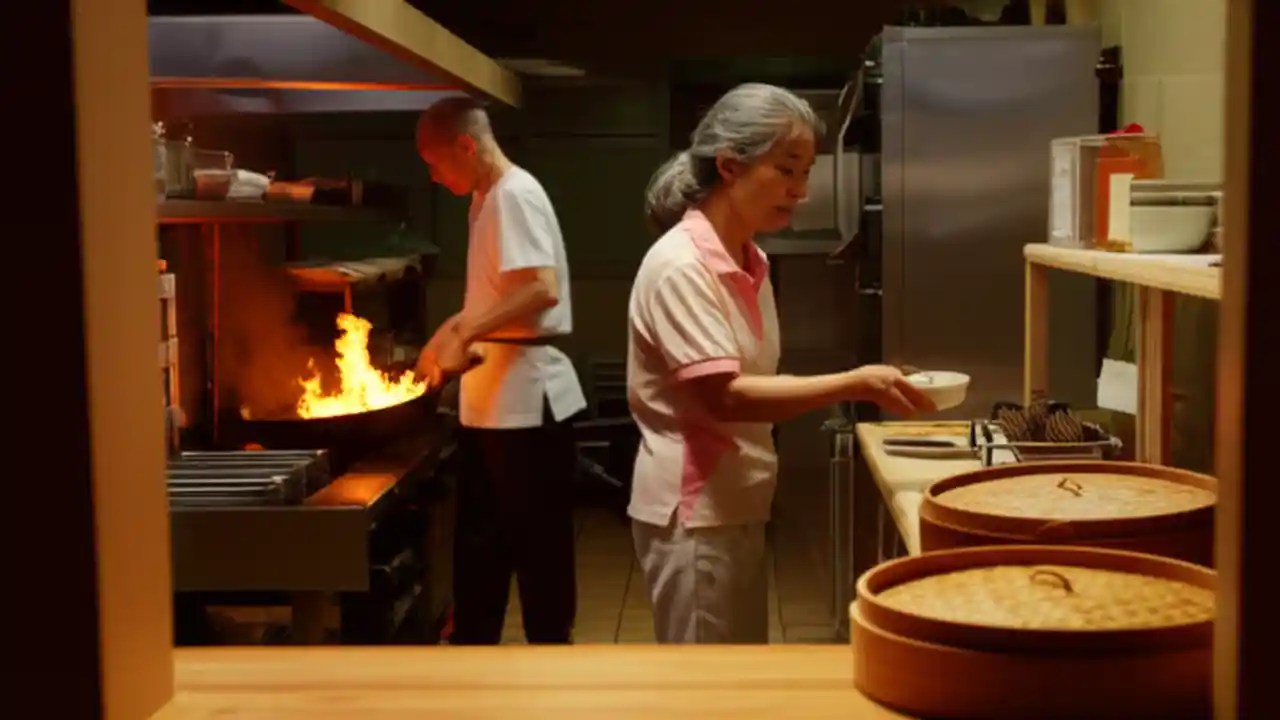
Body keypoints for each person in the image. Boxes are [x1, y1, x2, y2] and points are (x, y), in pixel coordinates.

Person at [626, 83, 936, 644]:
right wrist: (857, 383)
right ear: (729, 166)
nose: (800, 191)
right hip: (694, 511)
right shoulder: (681, 266)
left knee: (739, 676)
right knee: (705, 692)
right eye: (785, 170)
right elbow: (724, 395)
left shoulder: (750, 258)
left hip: (736, 498)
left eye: (806, 173)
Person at [414, 97, 586, 644]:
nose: (434, 177)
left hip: (528, 406)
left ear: (467, 146)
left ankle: (550, 662)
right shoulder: (485, 200)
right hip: (493, 403)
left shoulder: (515, 194)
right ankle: (476, 656)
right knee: (481, 550)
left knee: (538, 556)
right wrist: (448, 332)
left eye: (436, 164)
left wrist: (464, 332)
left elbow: (539, 289)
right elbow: (497, 294)